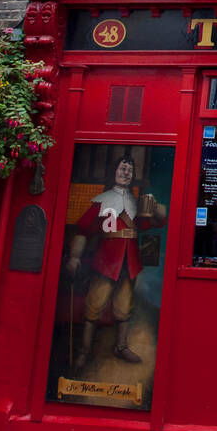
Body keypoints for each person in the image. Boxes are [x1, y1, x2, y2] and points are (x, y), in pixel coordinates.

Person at [65, 155, 167, 369]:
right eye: (123, 168)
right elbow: (83, 229)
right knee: (94, 305)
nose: (126, 172)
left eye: (130, 169)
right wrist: (75, 257)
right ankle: (85, 350)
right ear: (115, 171)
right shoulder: (102, 200)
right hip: (106, 260)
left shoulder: (136, 203)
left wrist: (158, 208)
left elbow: (154, 223)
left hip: (128, 261)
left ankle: (120, 346)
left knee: (124, 306)